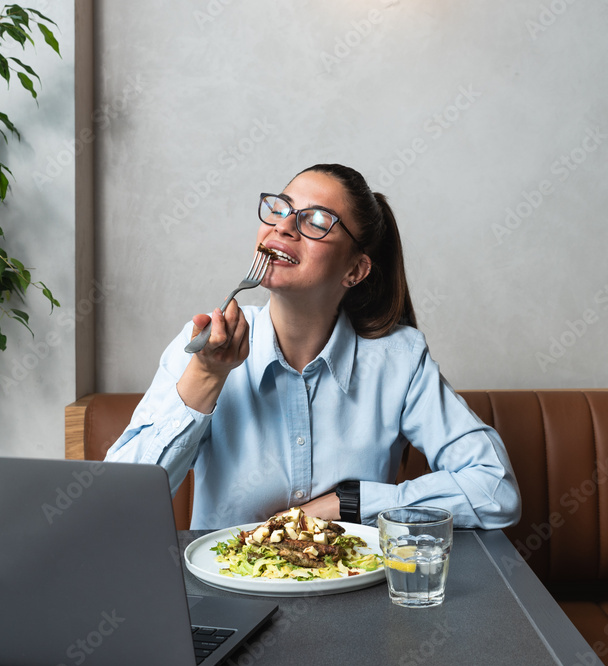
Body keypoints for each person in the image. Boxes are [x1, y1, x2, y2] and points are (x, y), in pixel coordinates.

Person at [105, 163, 521, 530]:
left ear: (355, 270)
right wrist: (206, 376)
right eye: (280, 209)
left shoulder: (399, 359)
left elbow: (495, 489)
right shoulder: (203, 347)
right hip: (227, 595)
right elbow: (119, 503)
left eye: (317, 220)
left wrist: (347, 504)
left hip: (354, 591)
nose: (283, 226)